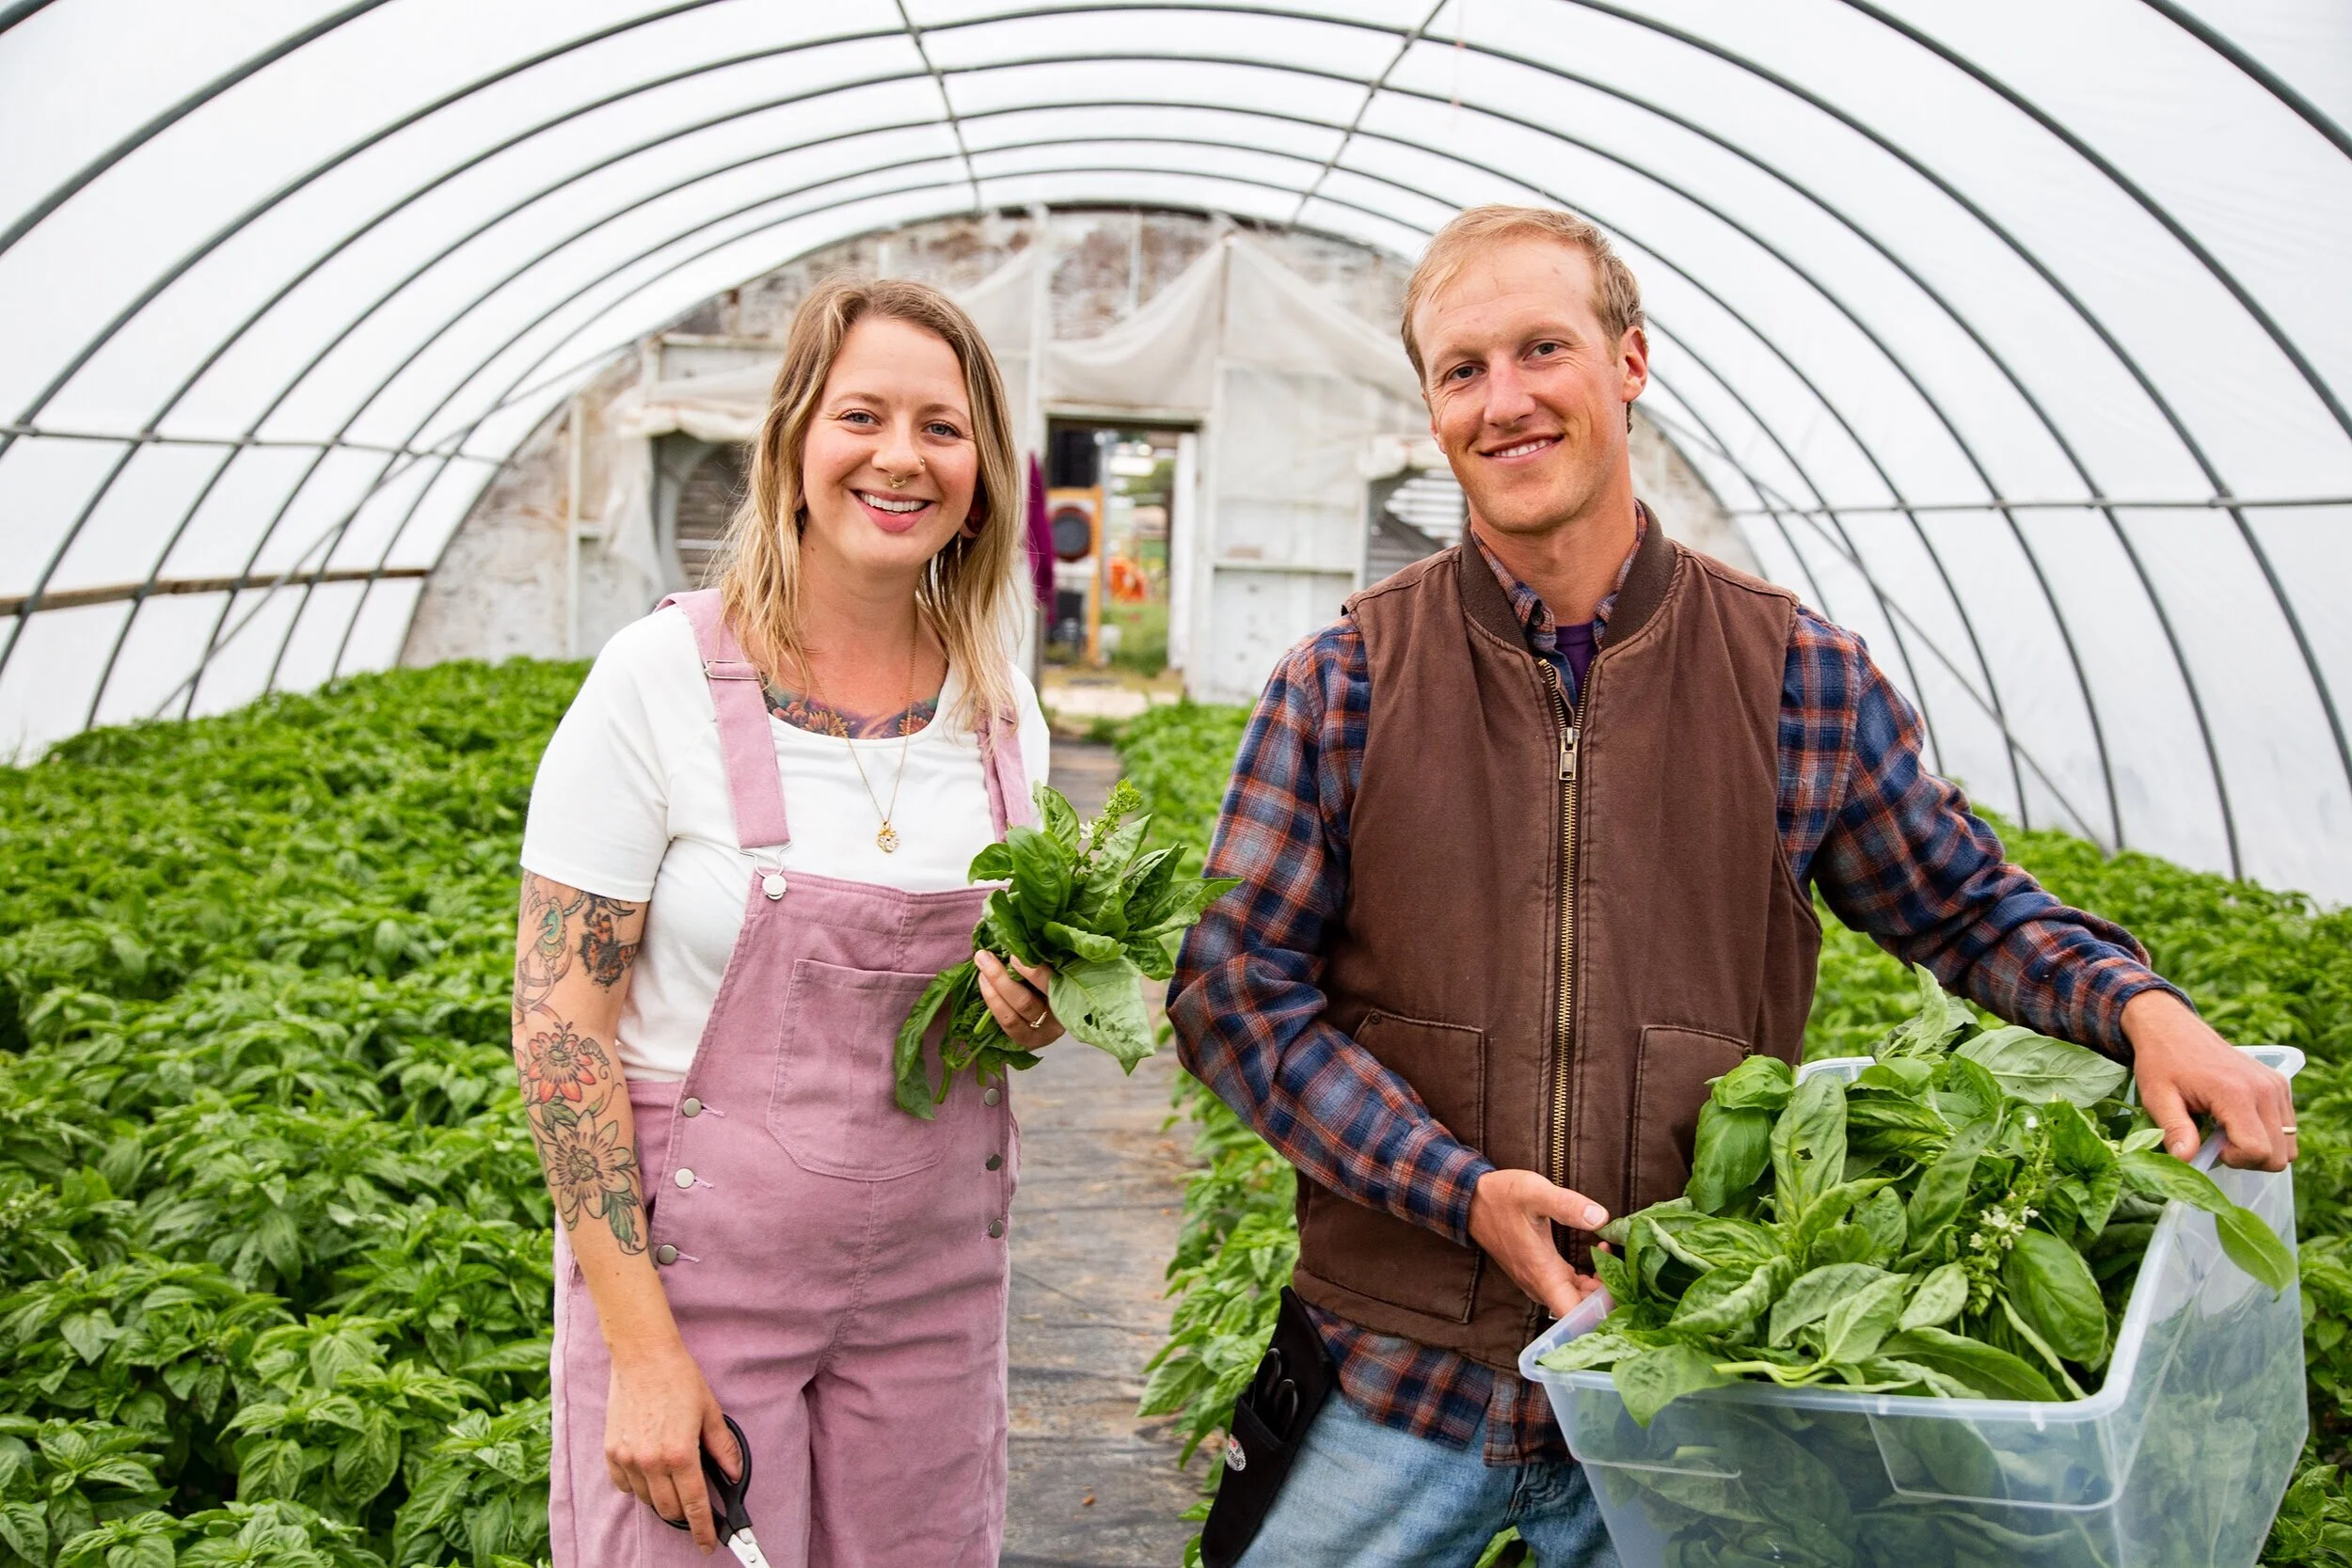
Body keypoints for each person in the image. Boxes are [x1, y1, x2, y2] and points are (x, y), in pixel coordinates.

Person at [1168, 204, 2299, 1568]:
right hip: (1390, 1377)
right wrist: (1456, 1189)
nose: (1505, 400)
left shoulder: (1791, 673)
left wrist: (2142, 1010)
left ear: (1630, 363)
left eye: (1544, 349)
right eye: (1463, 370)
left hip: (1683, 1392)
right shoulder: (1347, 678)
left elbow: (1960, 901)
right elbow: (1234, 993)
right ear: (1430, 406)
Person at [513, 277, 1060, 1566]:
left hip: (934, 1289)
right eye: (861, 413)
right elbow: (559, 1031)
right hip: (698, 1286)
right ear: (795, 443)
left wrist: (1024, 1011)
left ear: (980, 474)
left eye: (942, 425)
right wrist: (642, 1353)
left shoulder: (998, 711)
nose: (900, 456)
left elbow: (1001, 1014)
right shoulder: (657, 682)